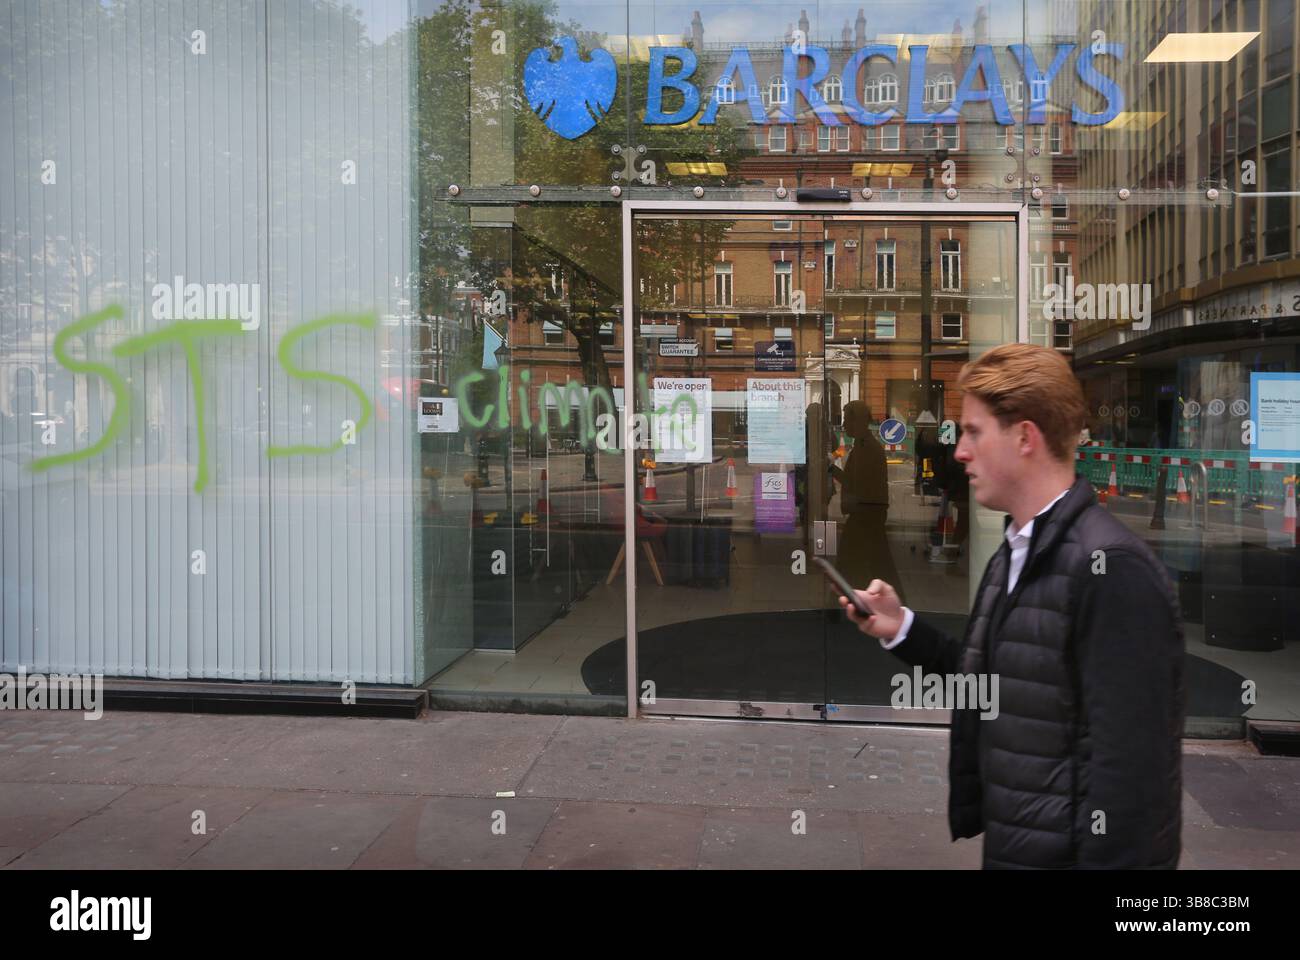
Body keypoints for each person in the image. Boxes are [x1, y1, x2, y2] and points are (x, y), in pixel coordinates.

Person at [839, 344, 1184, 869]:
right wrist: (901, 628)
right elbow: (1001, 687)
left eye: (974, 432)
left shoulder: (1112, 569)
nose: (959, 452)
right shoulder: (1019, 549)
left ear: (1025, 437)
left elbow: (1134, 792)